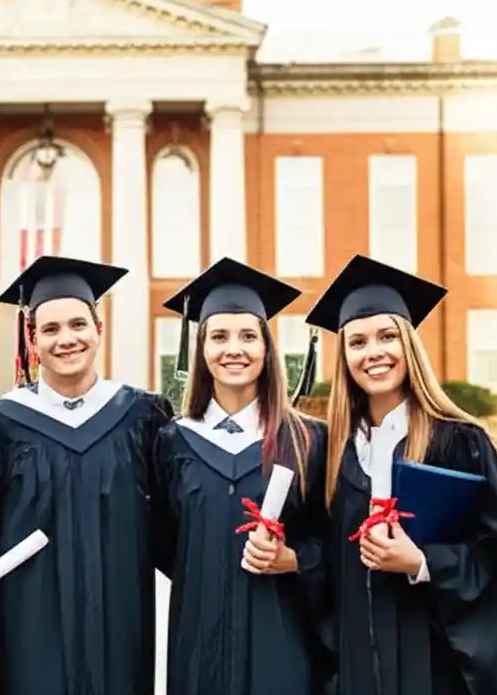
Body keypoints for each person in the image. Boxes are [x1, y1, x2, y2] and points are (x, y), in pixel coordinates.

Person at [0, 255, 174, 695]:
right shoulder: (0, 425)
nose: (66, 339)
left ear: (99, 329)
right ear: (32, 339)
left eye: (78, 325)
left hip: (119, 626)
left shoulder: (141, 417)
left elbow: (175, 526)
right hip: (27, 631)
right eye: (51, 329)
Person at [305, 255, 497, 695]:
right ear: (344, 357)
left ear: (409, 346)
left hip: (432, 666)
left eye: (387, 336)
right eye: (358, 342)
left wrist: (422, 563)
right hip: (354, 667)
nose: (374, 352)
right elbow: (323, 561)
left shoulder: (460, 443)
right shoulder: (331, 453)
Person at [150, 257, 329, 695]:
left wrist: (296, 559)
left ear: (267, 349)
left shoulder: (309, 440)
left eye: (249, 336)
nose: (234, 349)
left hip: (281, 640)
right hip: (198, 641)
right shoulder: (174, 442)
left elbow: (335, 538)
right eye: (219, 337)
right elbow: (164, 544)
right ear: (201, 350)